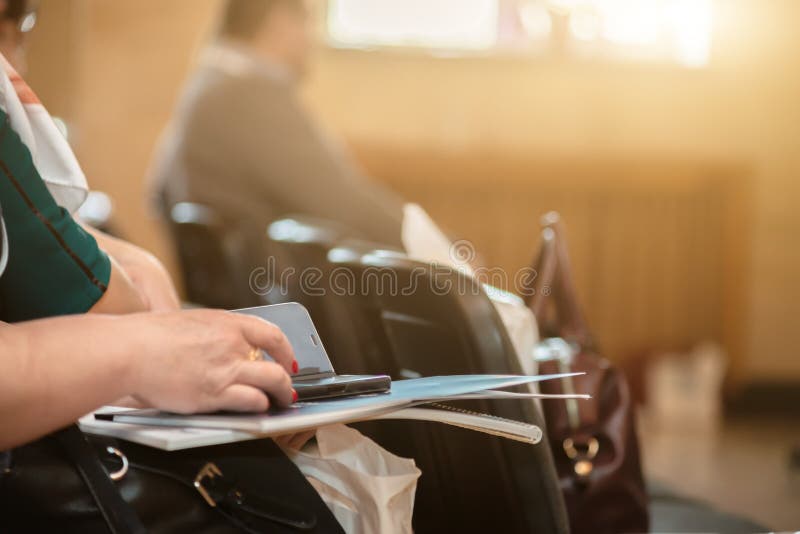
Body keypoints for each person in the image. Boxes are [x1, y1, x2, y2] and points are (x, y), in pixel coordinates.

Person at [150, 0, 405, 249]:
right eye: (308, 21)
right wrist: (426, 241)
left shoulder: (207, 85)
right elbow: (340, 201)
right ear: (279, 19)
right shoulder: (248, 96)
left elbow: (155, 192)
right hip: (278, 283)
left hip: (248, 280)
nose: (312, 40)